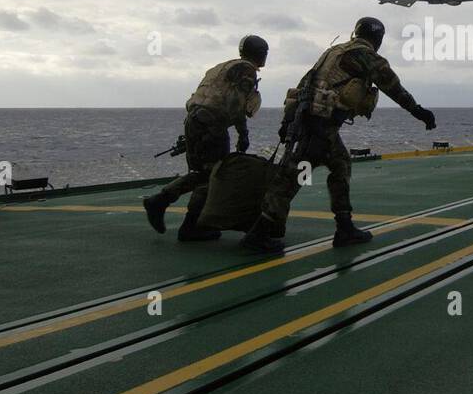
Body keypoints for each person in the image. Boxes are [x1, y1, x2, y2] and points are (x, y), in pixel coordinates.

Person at [240, 17, 435, 252]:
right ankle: (260, 233)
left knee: (337, 166)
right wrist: (420, 112)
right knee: (293, 178)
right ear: (379, 39)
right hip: (320, 127)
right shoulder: (366, 56)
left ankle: (344, 227)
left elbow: (303, 84)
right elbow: (393, 87)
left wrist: (287, 121)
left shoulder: (332, 51)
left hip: (312, 124)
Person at [143, 34, 268, 241]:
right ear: (260, 53)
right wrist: (243, 134)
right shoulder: (246, 70)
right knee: (214, 174)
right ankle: (189, 224)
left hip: (194, 120)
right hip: (212, 124)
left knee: (201, 173)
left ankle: (164, 203)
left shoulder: (222, 67)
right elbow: (235, 104)